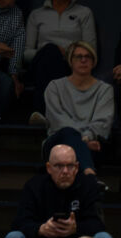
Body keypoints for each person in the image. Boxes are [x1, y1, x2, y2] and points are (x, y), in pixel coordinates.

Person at [42, 41, 114, 175]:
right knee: (68, 132)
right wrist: (83, 142)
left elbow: (102, 122)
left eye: (88, 57)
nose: (83, 60)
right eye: (78, 57)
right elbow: (58, 121)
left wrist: (85, 139)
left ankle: (87, 175)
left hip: (92, 142)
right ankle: (89, 174)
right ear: (70, 61)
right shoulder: (55, 87)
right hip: (58, 143)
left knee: (92, 147)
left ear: (93, 61)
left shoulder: (104, 90)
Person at [25, 0, 99, 103]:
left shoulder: (84, 13)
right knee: (50, 51)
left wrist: (67, 53)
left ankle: (41, 109)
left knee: (52, 53)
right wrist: (47, 52)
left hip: (70, 65)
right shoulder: (36, 14)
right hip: (40, 64)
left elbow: (90, 51)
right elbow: (26, 53)